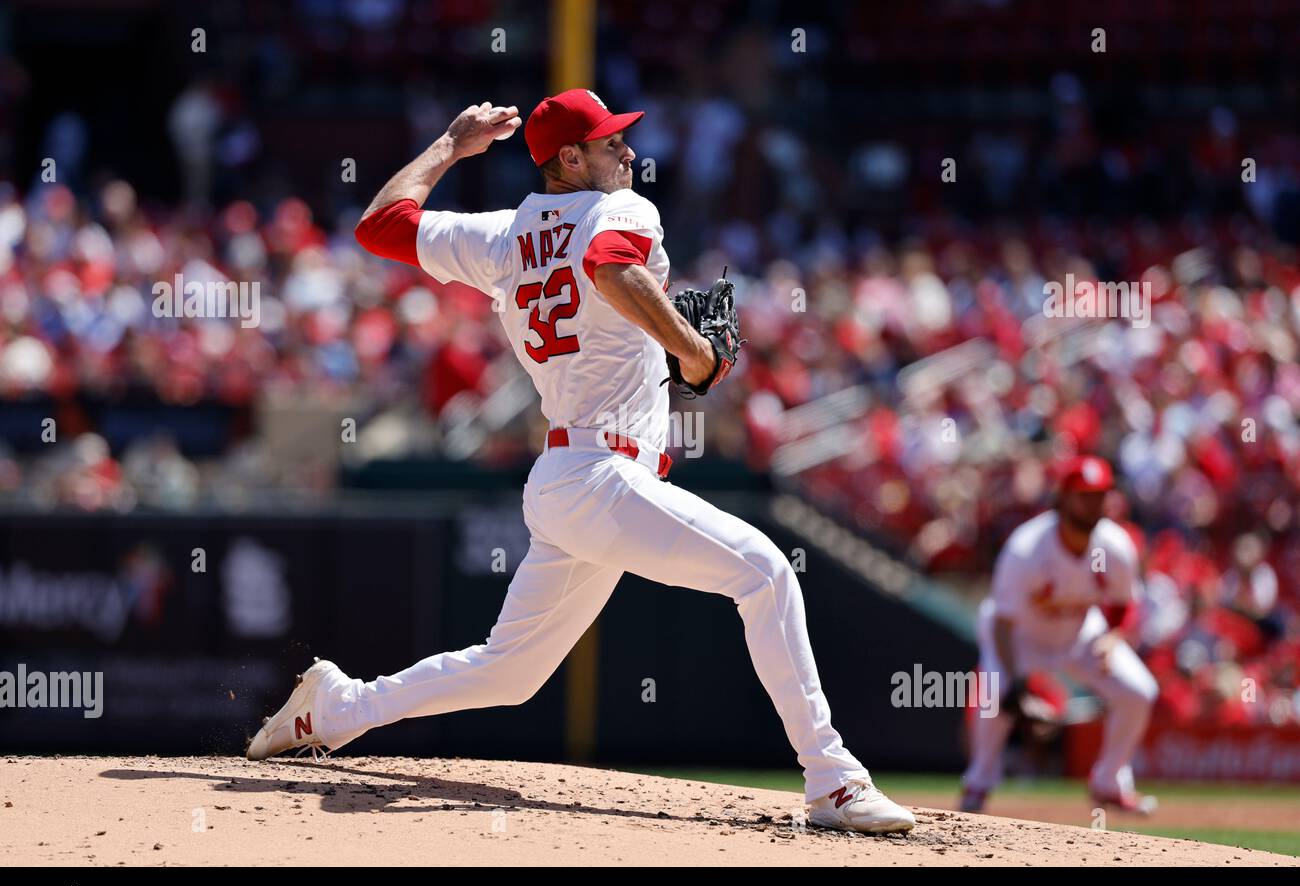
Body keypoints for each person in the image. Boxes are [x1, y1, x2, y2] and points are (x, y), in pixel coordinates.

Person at [244, 90, 915, 834]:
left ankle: (339, 707)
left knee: (509, 671)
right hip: (601, 474)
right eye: (609, 142)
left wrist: (449, 144)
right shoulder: (622, 211)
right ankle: (833, 779)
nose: (627, 152)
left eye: (622, 141)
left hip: (570, 478)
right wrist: (692, 356)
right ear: (570, 158)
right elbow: (607, 267)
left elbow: (381, 227)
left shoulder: (502, 238)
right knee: (764, 571)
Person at [959, 456, 1159, 815]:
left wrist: (1114, 636)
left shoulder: (1115, 546)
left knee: (1139, 691)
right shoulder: (1027, 548)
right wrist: (1018, 684)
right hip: (1018, 638)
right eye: (1084, 494)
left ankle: (1109, 782)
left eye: (1100, 494)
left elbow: (1125, 604)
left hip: (1080, 635)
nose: (1093, 503)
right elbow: (1003, 623)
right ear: (1063, 497)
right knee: (994, 693)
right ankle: (978, 783)